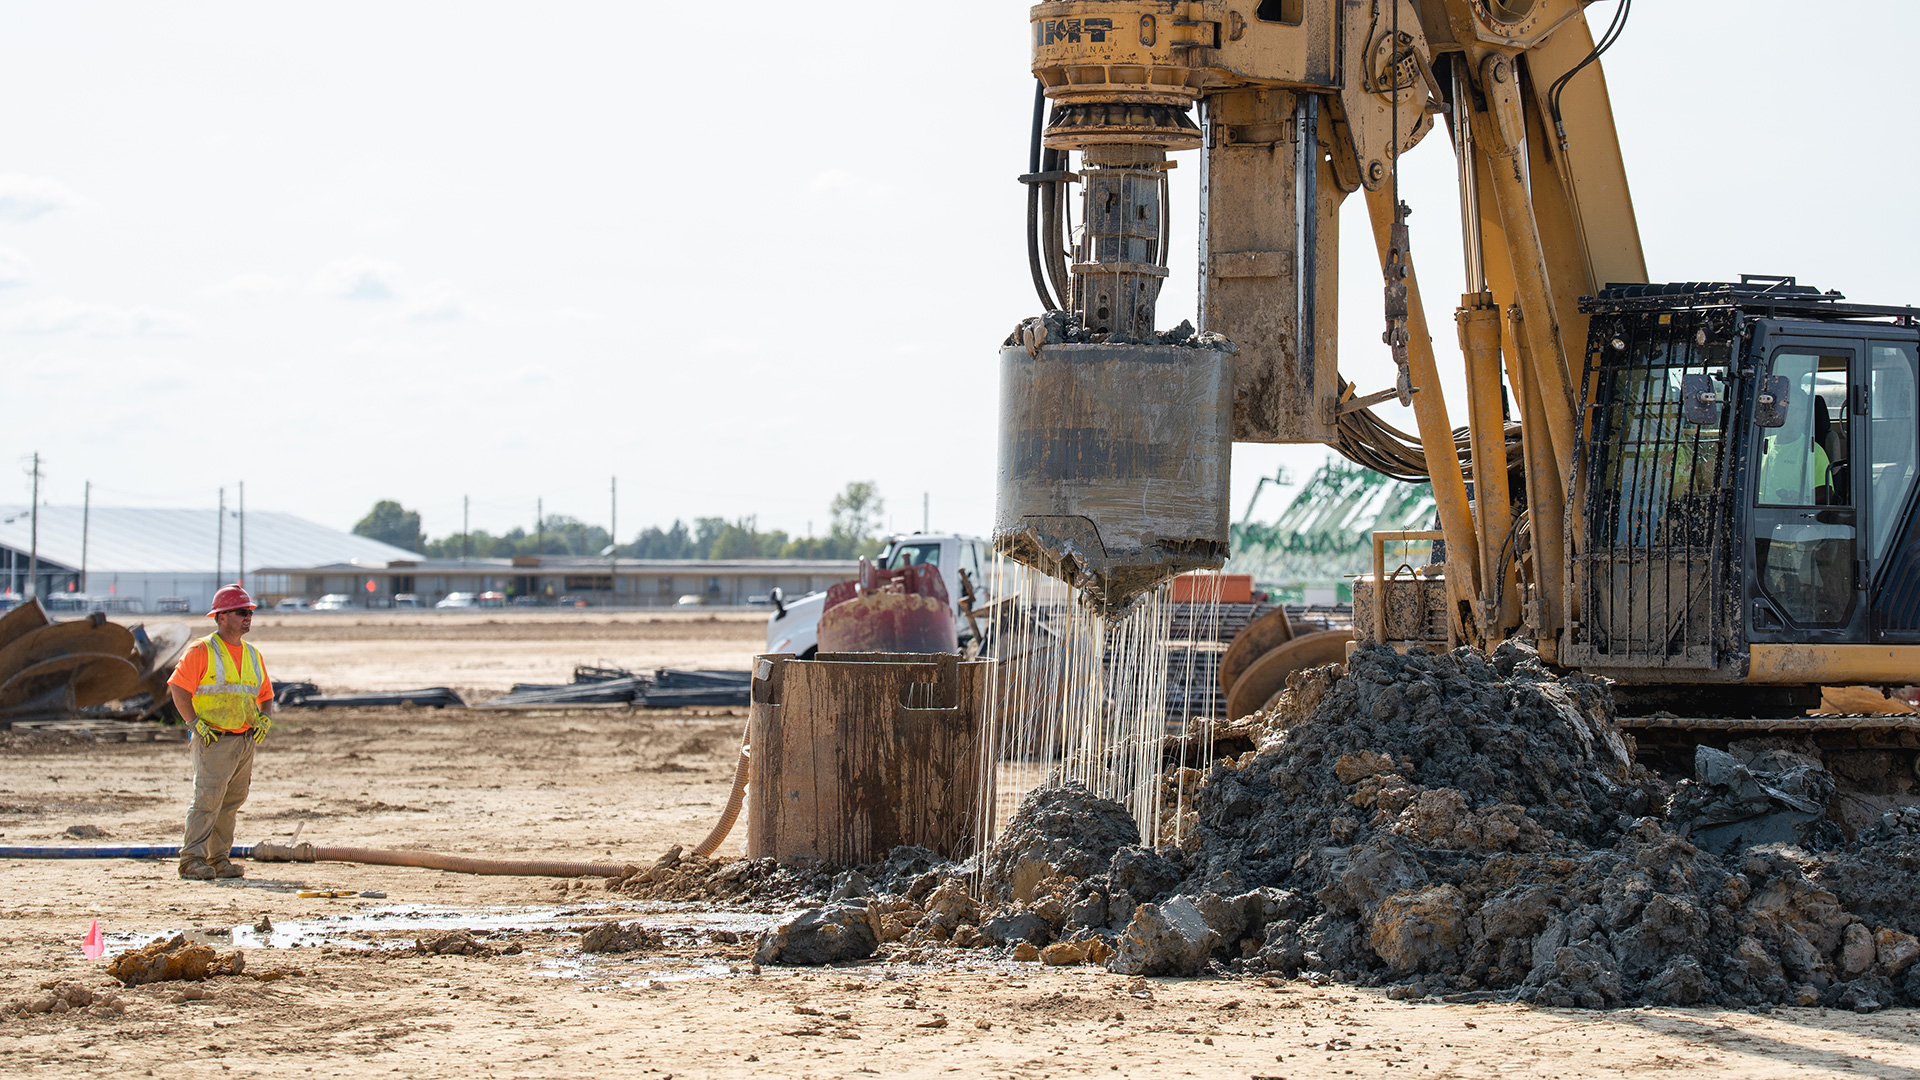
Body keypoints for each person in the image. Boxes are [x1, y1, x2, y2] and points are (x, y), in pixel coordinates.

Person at [167, 584, 275, 881]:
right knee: (207, 800)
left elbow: (265, 693)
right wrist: (194, 724)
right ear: (222, 617)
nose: (247, 617)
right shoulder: (203, 650)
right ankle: (191, 860)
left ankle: (218, 860)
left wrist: (264, 718)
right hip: (213, 739)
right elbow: (178, 687)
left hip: (243, 739)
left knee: (231, 802)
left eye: (249, 612)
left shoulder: (252, 654)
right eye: (241, 612)